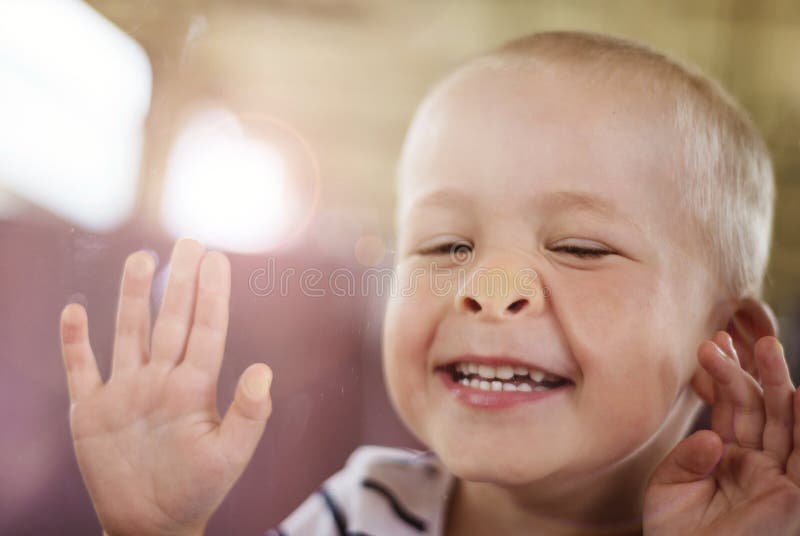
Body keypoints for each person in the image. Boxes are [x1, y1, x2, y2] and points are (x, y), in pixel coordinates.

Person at [59, 31, 800, 535]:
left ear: (724, 347)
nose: (488, 285)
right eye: (446, 243)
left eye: (578, 247)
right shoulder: (360, 512)